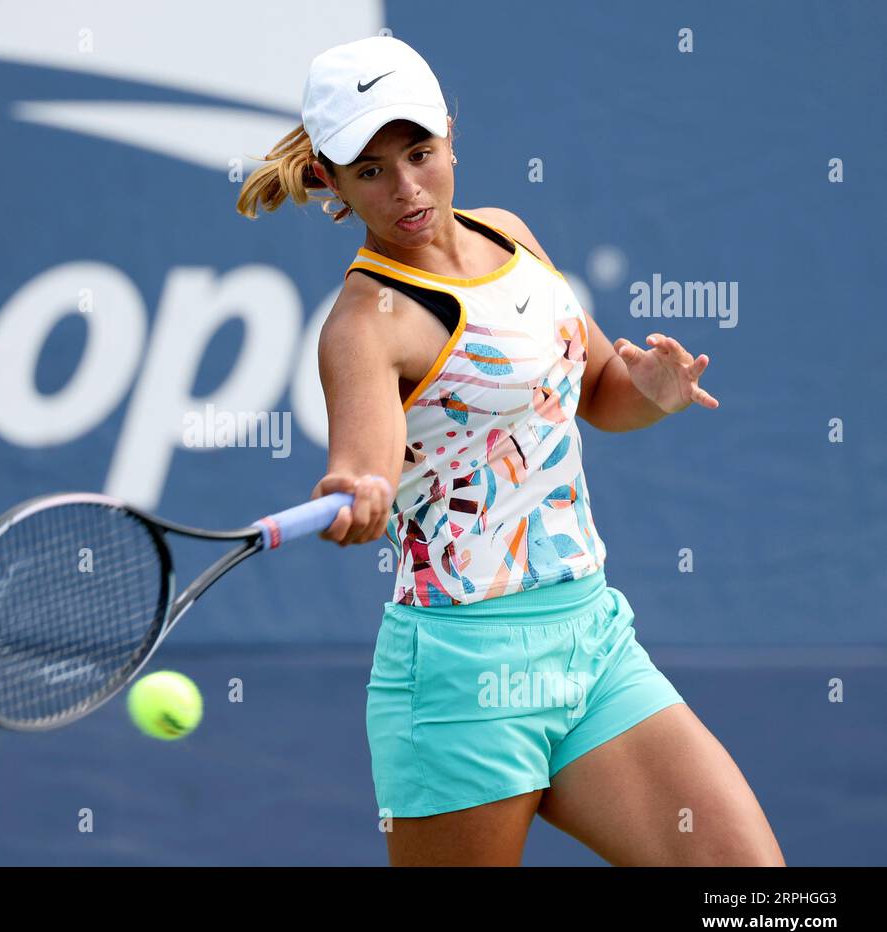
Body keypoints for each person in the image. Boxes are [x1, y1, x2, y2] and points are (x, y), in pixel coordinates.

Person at [236, 35, 784, 866]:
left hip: (591, 644)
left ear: (451, 134)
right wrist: (359, 491)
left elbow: (600, 394)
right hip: (462, 678)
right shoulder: (362, 326)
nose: (408, 188)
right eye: (372, 171)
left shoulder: (511, 235)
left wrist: (653, 394)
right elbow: (368, 463)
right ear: (329, 181)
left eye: (420, 153)